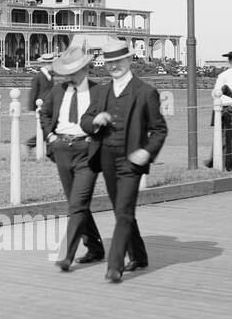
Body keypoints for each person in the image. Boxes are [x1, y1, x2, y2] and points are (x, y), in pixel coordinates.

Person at [80, 37, 168, 283]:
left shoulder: (146, 92)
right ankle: (139, 256)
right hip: (106, 157)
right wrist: (95, 123)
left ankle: (115, 266)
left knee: (124, 209)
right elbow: (84, 121)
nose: (114, 66)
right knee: (122, 211)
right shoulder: (100, 92)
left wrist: (146, 151)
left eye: (119, 60)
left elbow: (159, 130)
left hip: (131, 161)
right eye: (109, 62)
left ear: (129, 60)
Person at [40, 46, 105, 270]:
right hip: (62, 149)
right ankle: (95, 247)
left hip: (86, 151)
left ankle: (66, 255)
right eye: (68, 71)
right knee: (77, 203)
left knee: (77, 204)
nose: (71, 75)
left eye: (75, 70)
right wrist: (49, 136)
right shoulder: (58, 92)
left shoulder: (99, 93)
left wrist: (96, 137)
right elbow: (45, 113)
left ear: (87, 68)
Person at [26, 52, 56, 148]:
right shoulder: (38, 76)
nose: (52, 65)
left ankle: (33, 143)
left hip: (50, 105)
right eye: (50, 63)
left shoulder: (51, 76)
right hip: (41, 106)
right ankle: (32, 142)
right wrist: (32, 108)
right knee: (47, 127)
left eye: (52, 63)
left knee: (49, 127)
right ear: (44, 64)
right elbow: (33, 93)